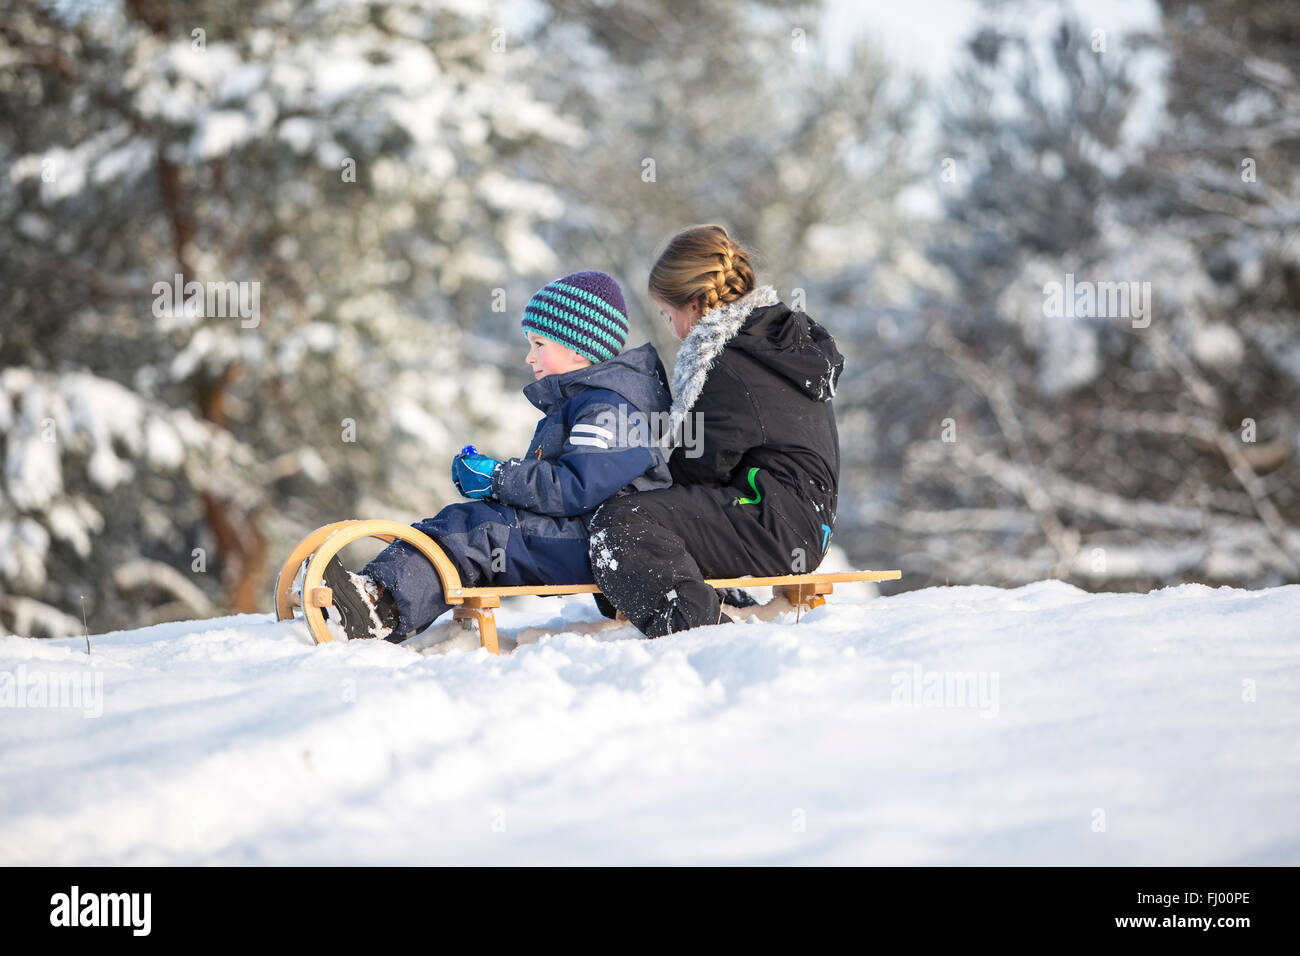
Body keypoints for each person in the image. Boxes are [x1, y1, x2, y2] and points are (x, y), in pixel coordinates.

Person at [321, 270, 672, 642]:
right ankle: (373, 590)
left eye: (539, 344)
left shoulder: (609, 409)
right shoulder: (582, 402)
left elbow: (574, 488)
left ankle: (382, 607)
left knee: (483, 531)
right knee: (471, 521)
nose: (528, 356)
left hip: (604, 541)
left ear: (577, 348)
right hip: (578, 533)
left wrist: (500, 478)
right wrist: (492, 482)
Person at [587, 225, 844, 637]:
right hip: (798, 521)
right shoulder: (767, 343)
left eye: (669, 316)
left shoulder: (728, 363)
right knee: (645, 517)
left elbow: (699, 466)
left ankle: (696, 627)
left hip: (775, 522)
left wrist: (622, 487)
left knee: (621, 523)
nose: (672, 330)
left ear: (698, 303)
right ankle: (714, 604)